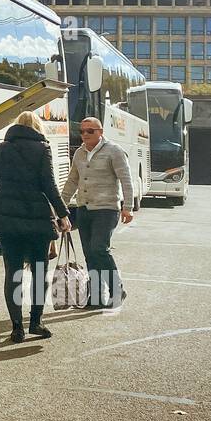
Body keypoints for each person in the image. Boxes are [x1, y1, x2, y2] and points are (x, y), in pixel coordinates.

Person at [0, 112, 72, 343]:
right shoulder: (42, 149)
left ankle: (16, 328)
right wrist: (63, 214)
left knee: (13, 272)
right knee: (40, 271)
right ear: (37, 127)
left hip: (6, 221)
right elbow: (49, 186)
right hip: (37, 218)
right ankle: (36, 322)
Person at [60, 116, 135, 310]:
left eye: (90, 131)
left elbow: (126, 180)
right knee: (89, 254)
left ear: (100, 132)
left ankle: (117, 289)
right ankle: (95, 296)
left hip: (107, 209)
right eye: (82, 131)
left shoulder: (114, 151)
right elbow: (71, 182)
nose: (85, 135)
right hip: (84, 209)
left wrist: (128, 206)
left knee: (99, 249)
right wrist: (60, 208)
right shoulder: (79, 153)